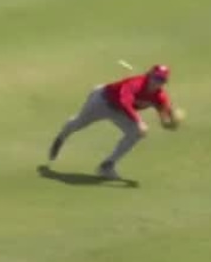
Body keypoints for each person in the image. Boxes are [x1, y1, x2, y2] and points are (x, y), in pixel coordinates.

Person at [47, 64, 176, 179]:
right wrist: (139, 121)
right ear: (149, 75)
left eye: (161, 80)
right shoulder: (135, 83)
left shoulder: (159, 95)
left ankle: (107, 165)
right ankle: (61, 138)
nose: (157, 82)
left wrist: (169, 121)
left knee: (137, 133)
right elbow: (124, 101)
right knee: (79, 123)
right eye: (156, 78)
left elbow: (165, 108)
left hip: (120, 113)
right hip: (102, 101)